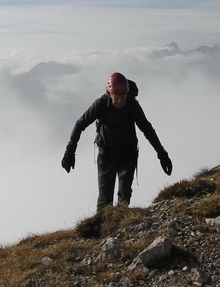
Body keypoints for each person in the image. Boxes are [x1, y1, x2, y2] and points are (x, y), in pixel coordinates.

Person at [62, 72, 172, 209]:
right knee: (105, 200)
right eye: (116, 97)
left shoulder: (132, 105)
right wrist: (70, 152)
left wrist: (162, 154)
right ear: (109, 94)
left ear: (127, 93)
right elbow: (80, 125)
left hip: (128, 153)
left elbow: (147, 129)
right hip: (106, 154)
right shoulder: (101, 104)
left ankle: (121, 221)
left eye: (123, 96)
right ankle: (103, 222)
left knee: (124, 195)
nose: (120, 101)